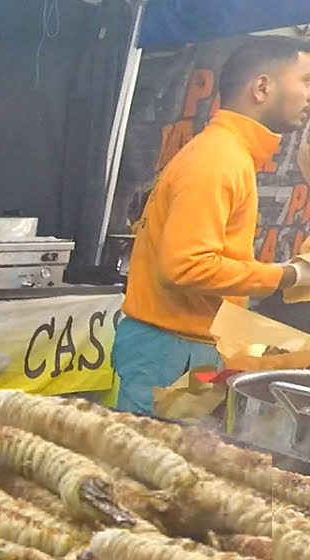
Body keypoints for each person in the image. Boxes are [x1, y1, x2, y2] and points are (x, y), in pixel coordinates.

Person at [113, 36, 310, 415]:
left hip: (189, 344)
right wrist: (288, 275)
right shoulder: (218, 158)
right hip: (170, 350)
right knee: (148, 450)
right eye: (306, 81)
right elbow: (185, 267)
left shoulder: (232, 155)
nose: (309, 97)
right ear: (262, 87)